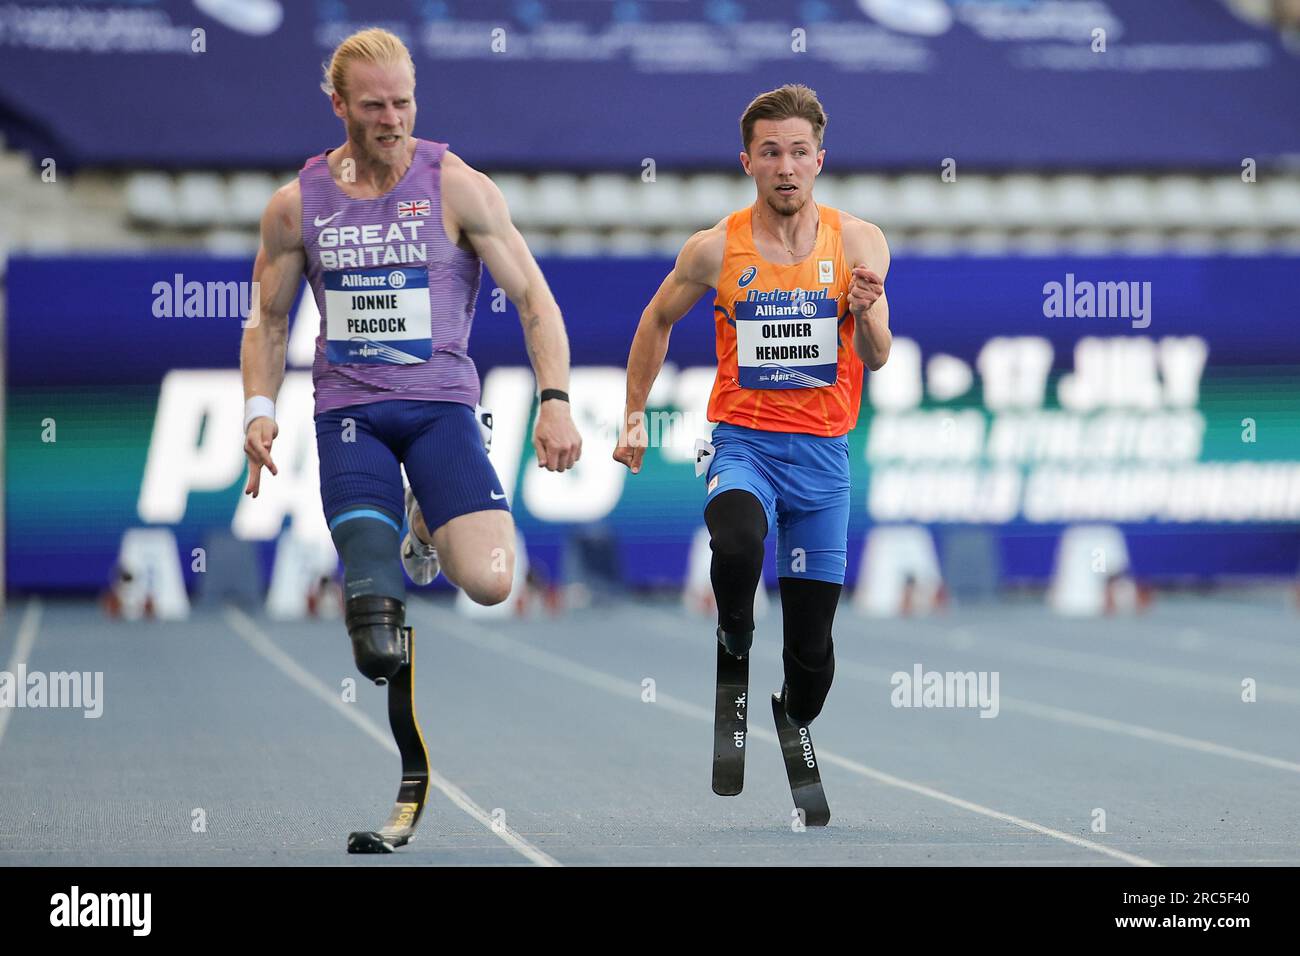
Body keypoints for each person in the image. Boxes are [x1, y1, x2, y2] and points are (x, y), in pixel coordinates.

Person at [241, 28, 581, 684]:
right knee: (374, 627)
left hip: (440, 407)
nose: (391, 120)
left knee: (492, 582)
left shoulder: (458, 187)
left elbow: (535, 300)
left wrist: (556, 402)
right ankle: (385, 557)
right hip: (349, 412)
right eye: (374, 106)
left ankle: (423, 523)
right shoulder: (296, 206)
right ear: (339, 105)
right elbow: (268, 320)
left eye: (403, 103)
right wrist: (258, 407)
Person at [614, 84, 891, 727]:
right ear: (748, 162)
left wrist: (865, 310)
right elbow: (655, 320)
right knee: (737, 541)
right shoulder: (714, 248)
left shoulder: (860, 242)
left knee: (813, 665)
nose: (786, 167)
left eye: (799, 152)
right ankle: (734, 635)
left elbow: (877, 355)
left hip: (824, 460)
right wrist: (634, 416)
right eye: (771, 152)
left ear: (820, 158)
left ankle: (794, 703)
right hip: (745, 444)